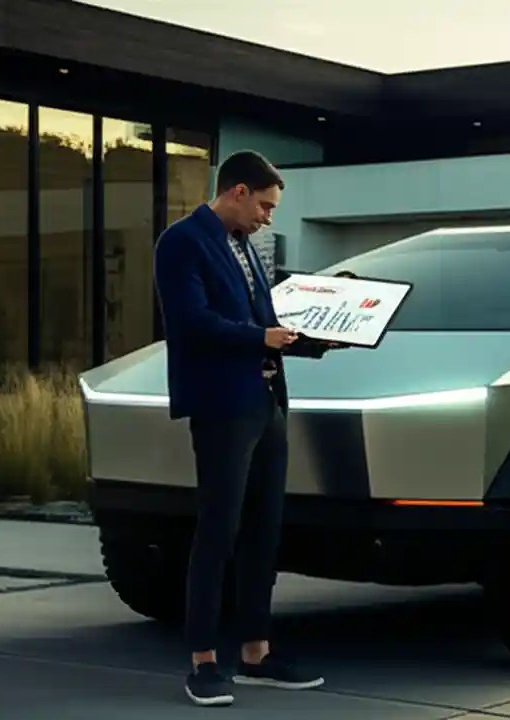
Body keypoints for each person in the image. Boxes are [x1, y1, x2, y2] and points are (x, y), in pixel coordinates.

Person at [153, 150, 326, 707]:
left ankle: (255, 652)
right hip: (223, 406)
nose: (269, 218)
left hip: (267, 401)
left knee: (263, 530)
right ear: (238, 192)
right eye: (266, 206)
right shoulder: (182, 242)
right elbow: (191, 322)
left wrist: (316, 338)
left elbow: (263, 321)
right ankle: (203, 659)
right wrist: (261, 339)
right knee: (218, 530)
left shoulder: (245, 246)